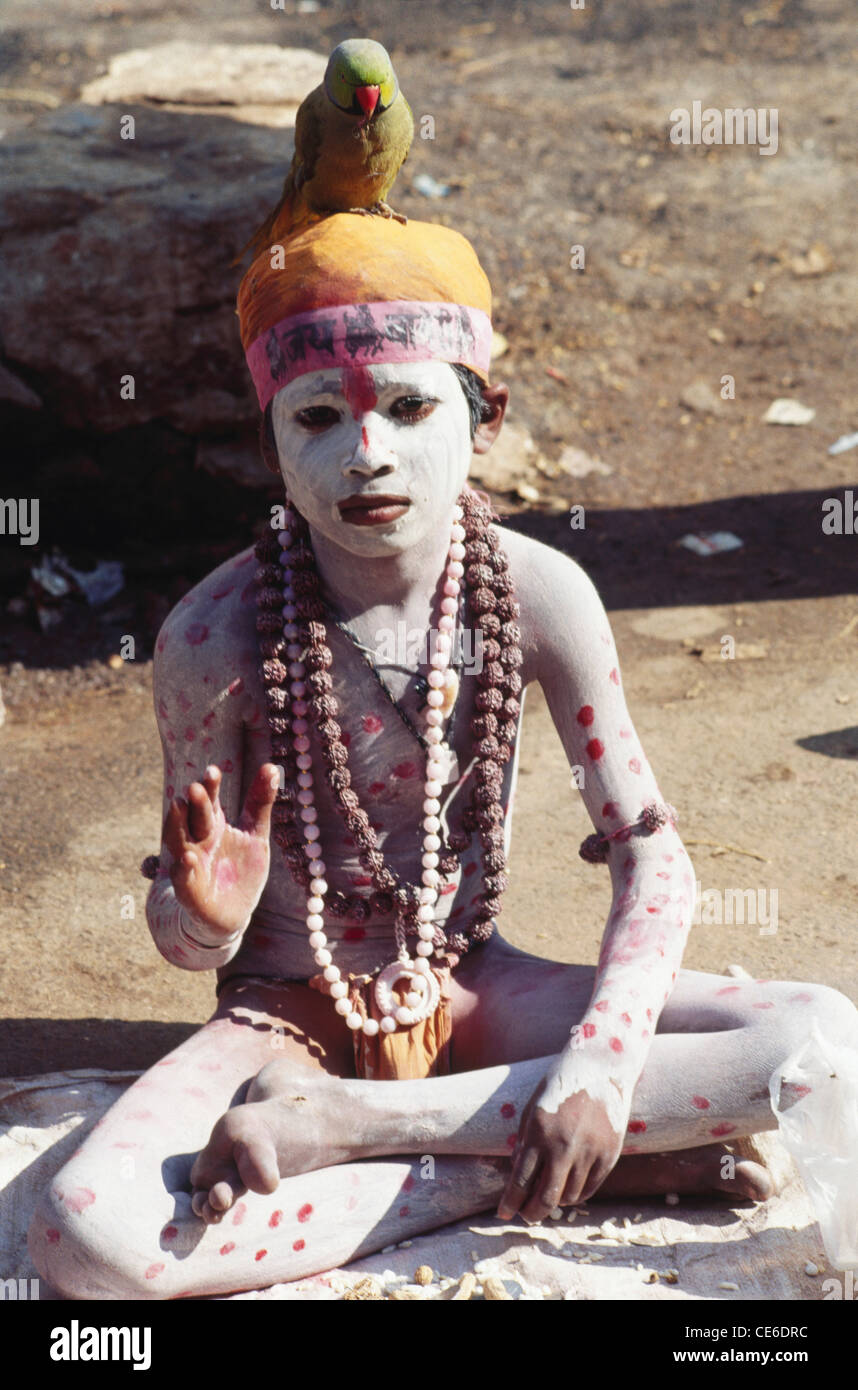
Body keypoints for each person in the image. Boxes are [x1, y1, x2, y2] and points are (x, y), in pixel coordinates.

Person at [28, 212, 858, 1300]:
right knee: (87, 1239)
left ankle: (365, 1131)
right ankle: (516, 1168)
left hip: (479, 988)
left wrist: (601, 1073)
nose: (366, 452)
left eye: (410, 406)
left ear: (487, 414)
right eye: (318, 417)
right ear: (268, 435)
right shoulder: (210, 637)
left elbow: (653, 856)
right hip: (290, 1016)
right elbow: (187, 947)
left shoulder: (540, 594)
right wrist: (208, 918)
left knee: (820, 1038)